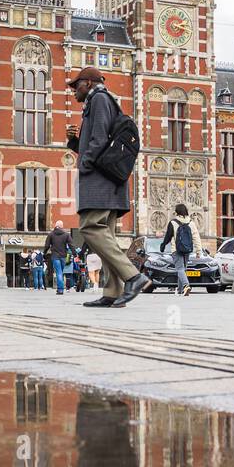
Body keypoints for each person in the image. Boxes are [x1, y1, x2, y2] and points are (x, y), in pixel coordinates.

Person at [66, 66, 149, 308]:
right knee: (107, 236)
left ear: (89, 83)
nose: (73, 90)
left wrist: (85, 164)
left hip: (101, 181)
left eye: (76, 85)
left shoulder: (100, 99)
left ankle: (133, 276)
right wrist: (76, 143)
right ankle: (113, 292)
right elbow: (99, 143)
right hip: (110, 180)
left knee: (91, 227)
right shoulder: (100, 101)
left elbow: (99, 140)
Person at [160, 202, 203, 296]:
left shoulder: (173, 222)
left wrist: (163, 245)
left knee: (179, 269)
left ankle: (186, 285)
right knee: (183, 269)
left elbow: (168, 236)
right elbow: (196, 237)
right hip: (187, 249)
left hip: (176, 249)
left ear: (177, 212)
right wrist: (199, 250)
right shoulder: (191, 223)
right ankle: (179, 290)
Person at [44, 221, 75, 295]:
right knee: (61, 272)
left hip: (55, 256)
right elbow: (71, 245)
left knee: (58, 272)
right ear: (62, 226)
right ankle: (60, 288)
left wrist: (44, 253)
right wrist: (75, 254)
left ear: (55, 226)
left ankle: (60, 289)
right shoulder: (66, 235)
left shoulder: (51, 234)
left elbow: (47, 245)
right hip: (63, 256)